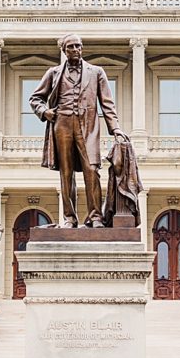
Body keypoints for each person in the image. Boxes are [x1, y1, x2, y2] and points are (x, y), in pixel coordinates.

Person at [29, 34, 127, 227]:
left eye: (78, 46)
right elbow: (35, 98)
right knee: (66, 173)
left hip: (88, 126)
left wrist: (115, 128)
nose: (75, 50)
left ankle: (96, 217)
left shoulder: (96, 72)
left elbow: (107, 104)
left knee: (92, 169)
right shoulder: (53, 73)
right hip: (62, 124)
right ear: (64, 50)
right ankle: (69, 218)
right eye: (71, 47)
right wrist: (44, 111)